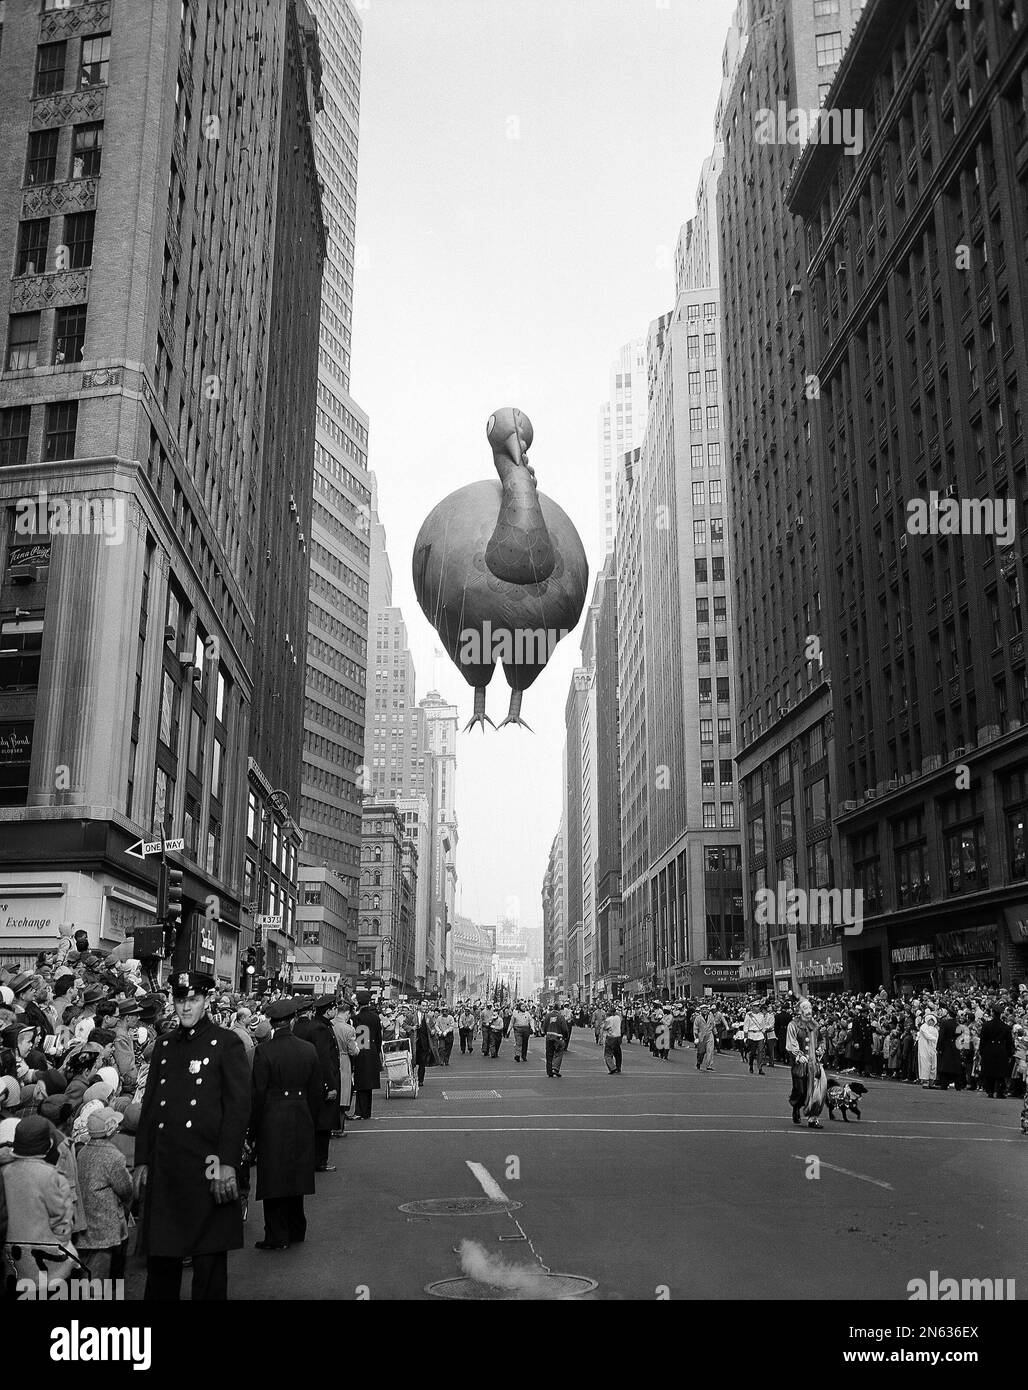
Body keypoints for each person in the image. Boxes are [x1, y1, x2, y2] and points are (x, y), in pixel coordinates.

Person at [135, 971, 251, 1301]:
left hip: (208, 1165)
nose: (186, 1008)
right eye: (180, 1000)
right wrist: (142, 1158)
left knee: (209, 1261)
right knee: (162, 1259)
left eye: (193, 1000)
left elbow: (238, 1109)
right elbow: (151, 1106)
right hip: (168, 1166)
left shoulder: (226, 1043)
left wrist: (228, 1163)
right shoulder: (165, 1045)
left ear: (206, 1001)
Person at [249, 999, 321, 1251]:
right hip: (300, 1113)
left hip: (272, 1115)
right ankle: (296, 1227)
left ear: (271, 1023)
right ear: (291, 1020)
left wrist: (253, 1128)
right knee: (296, 1173)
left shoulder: (264, 1051)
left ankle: (276, 1234)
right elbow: (315, 1091)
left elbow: (257, 1092)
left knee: (274, 1176)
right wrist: (310, 1117)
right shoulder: (308, 1049)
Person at [75, 1106, 132, 1280]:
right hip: (104, 1224)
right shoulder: (114, 1156)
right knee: (98, 1277)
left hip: (84, 1220)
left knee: (86, 1273)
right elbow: (125, 1189)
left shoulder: (82, 1152)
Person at [306, 996, 342, 1172]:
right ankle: (320, 1160)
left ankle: (317, 1159)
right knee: (323, 1123)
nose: (335, 1011)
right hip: (323, 1083)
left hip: (317, 1083)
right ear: (328, 1011)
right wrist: (330, 1086)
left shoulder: (318, 1026)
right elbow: (324, 1059)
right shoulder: (320, 1029)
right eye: (334, 1008)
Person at [351, 991, 383, 1119]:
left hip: (360, 1051)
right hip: (372, 1051)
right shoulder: (376, 1017)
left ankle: (359, 1111)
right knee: (368, 1084)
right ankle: (367, 1112)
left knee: (360, 1084)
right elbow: (379, 1037)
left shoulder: (356, 1018)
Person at [331, 999, 360, 1131]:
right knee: (343, 1095)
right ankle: (339, 1127)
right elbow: (353, 1051)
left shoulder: (329, 1024)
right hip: (343, 1060)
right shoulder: (348, 1029)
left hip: (330, 1059)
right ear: (347, 1013)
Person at [978, 1005, 1015, 1099]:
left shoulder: (986, 1025)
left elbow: (983, 1040)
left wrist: (981, 1051)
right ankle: (1000, 1091)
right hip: (1001, 1050)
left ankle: (990, 1091)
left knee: (989, 1072)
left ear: (993, 1013)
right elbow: (1009, 1042)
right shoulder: (1005, 1027)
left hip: (989, 1049)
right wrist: (1010, 1053)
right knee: (1000, 1073)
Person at [541, 1003, 570, 1078]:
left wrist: (545, 1032)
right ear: (559, 1009)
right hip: (558, 1037)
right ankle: (555, 1068)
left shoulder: (547, 1016)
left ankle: (549, 1071)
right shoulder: (561, 1017)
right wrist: (566, 1036)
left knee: (549, 1054)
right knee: (559, 1053)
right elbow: (565, 1029)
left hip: (549, 1037)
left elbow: (544, 1027)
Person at [917, 1012, 939, 1087]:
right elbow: (927, 1035)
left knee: (933, 1065)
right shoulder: (923, 1027)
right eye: (930, 1020)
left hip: (932, 1049)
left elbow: (936, 1040)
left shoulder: (935, 1030)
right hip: (924, 1049)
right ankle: (925, 1080)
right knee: (925, 1064)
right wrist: (934, 1038)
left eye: (932, 1021)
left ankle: (931, 1081)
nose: (931, 1022)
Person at [693, 1004, 716, 1071]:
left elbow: (713, 1026)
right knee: (701, 1051)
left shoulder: (711, 1017)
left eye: (706, 1009)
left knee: (710, 1050)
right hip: (701, 1035)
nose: (705, 1010)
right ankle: (699, 1062)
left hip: (709, 1034)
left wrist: (716, 1035)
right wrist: (696, 1037)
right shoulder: (698, 1018)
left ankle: (709, 1065)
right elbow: (695, 1028)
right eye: (703, 1009)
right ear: (701, 1010)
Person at [602, 1005, 623, 1074]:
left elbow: (605, 1027)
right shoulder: (618, 1018)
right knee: (618, 1053)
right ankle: (618, 1067)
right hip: (618, 1037)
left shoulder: (608, 1019)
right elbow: (620, 1015)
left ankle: (612, 1067)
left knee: (608, 1054)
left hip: (611, 1037)